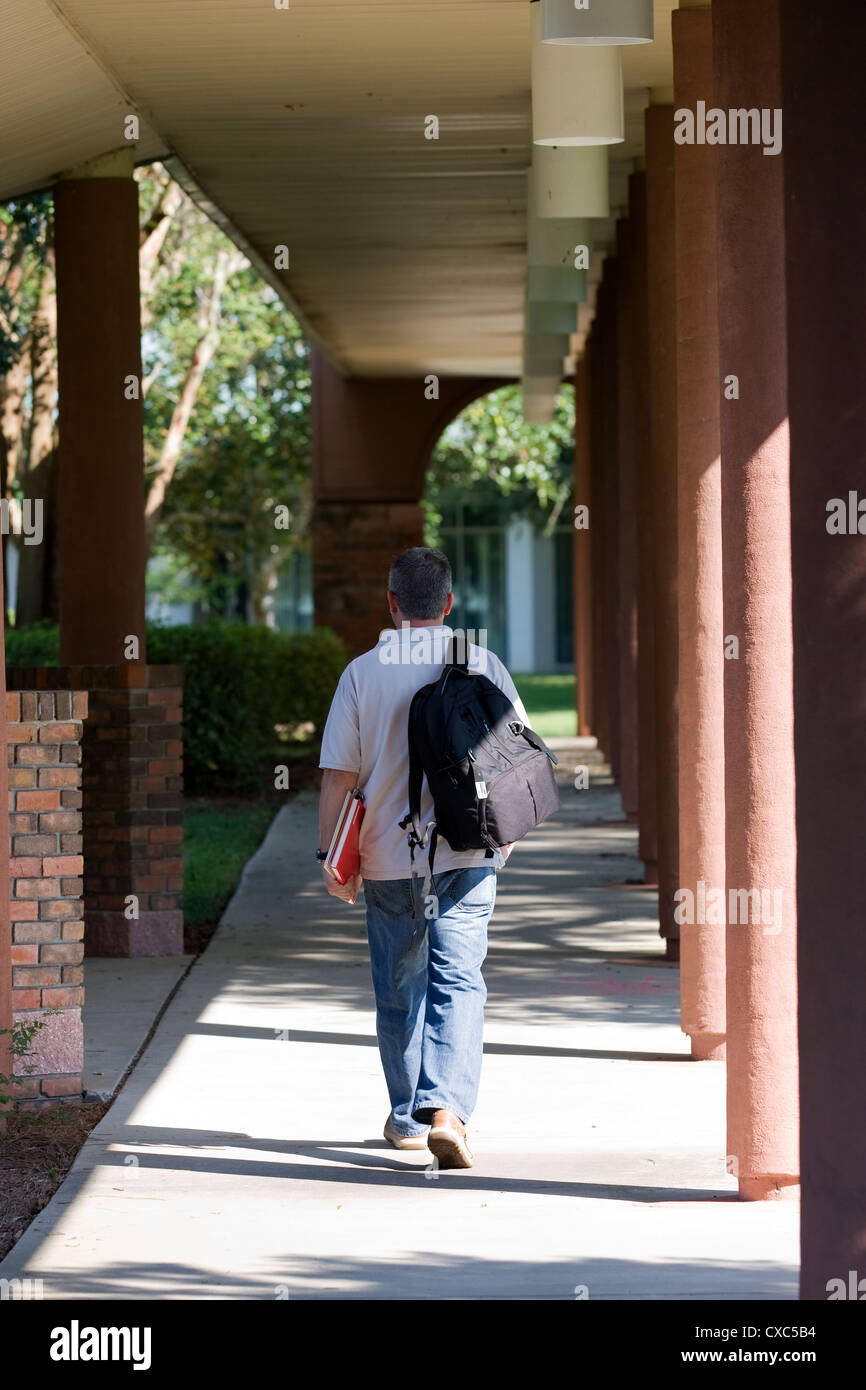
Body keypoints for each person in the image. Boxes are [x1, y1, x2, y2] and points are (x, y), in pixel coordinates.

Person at [317, 546, 529, 1169]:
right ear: (449, 604)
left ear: (390, 602)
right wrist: (505, 833)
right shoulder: (481, 662)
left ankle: (410, 1117)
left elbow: (337, 777)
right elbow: (515, 759)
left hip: (387, 857)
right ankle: (448, 1112)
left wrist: (331, 858)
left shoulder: (362, 672)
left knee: (399, 986)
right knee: (460, 979)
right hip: (466, 850)